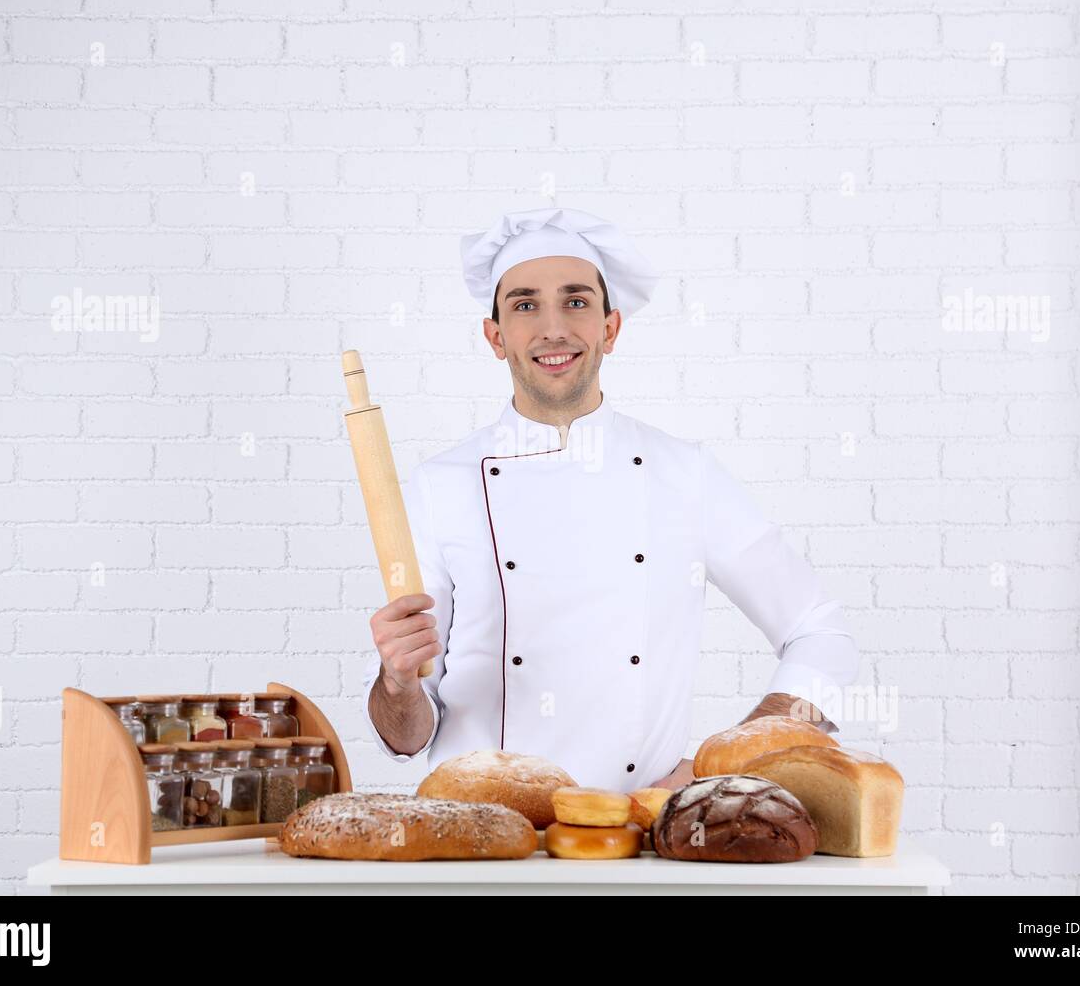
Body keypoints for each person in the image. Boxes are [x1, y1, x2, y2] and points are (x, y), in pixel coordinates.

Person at [363, 206, 860, 791]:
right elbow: (406, 736)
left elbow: (819, 632)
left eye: (576, 302)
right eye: (525, 305)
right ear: (495, 337)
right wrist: (396, 685)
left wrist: (729, 768)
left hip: (631, 842)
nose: (554, 329)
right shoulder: (438, 486)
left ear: (610, 328)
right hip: (478, 837)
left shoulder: (686, 474)